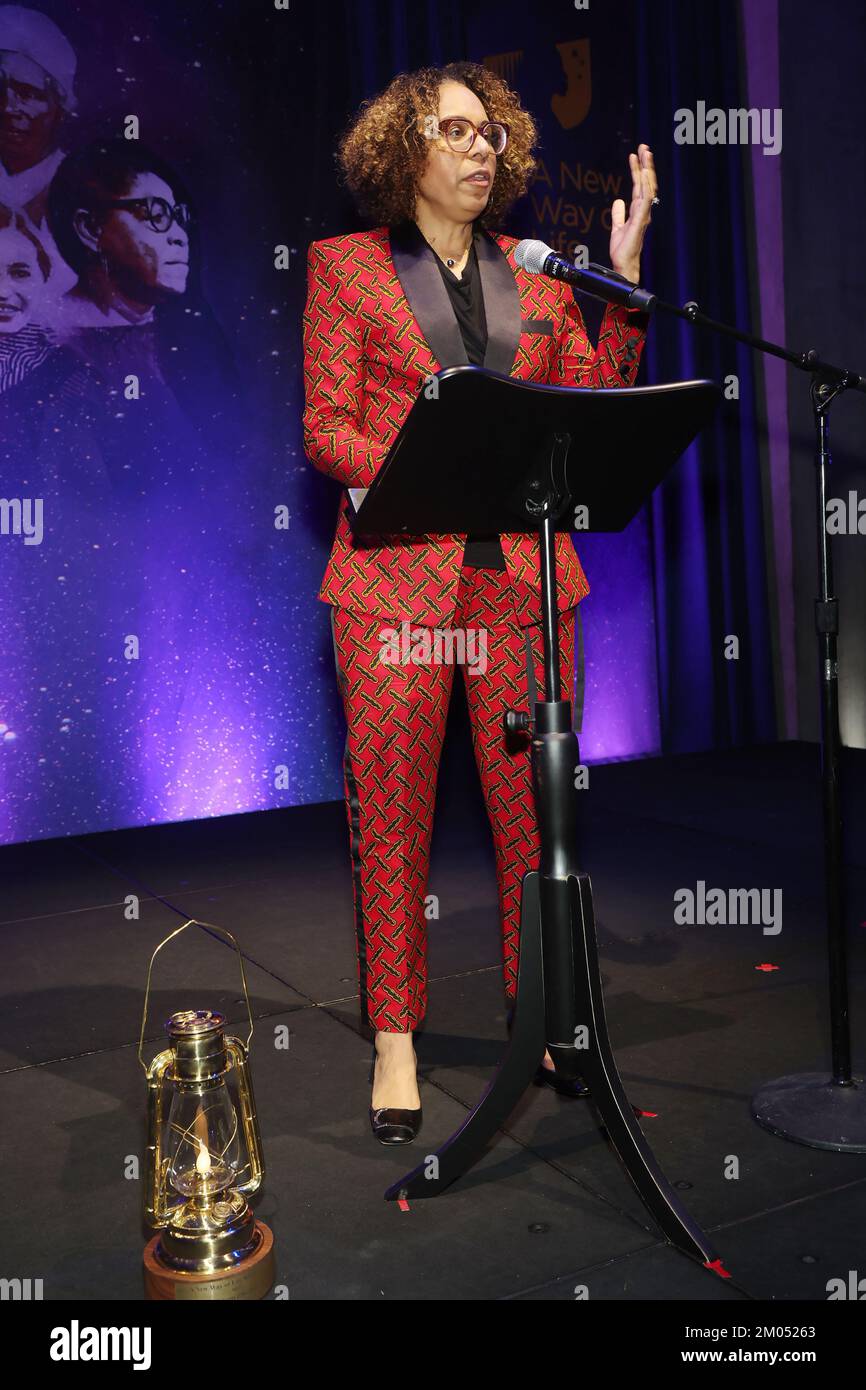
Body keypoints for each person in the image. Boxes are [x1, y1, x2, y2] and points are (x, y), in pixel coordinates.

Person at [302, 61, 657, 1144]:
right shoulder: (344, 267)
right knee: (395, 821)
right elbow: (324, 427)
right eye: (452, 131)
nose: (475, 150)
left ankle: (541, 1019)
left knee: (532, 822)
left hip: (520, 586)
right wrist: (424, 470)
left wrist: (626, 283)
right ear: (402, 150)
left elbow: (593, 410)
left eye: (486, 135)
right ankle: (398, 1038)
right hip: (393, 586)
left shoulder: (540, 276)